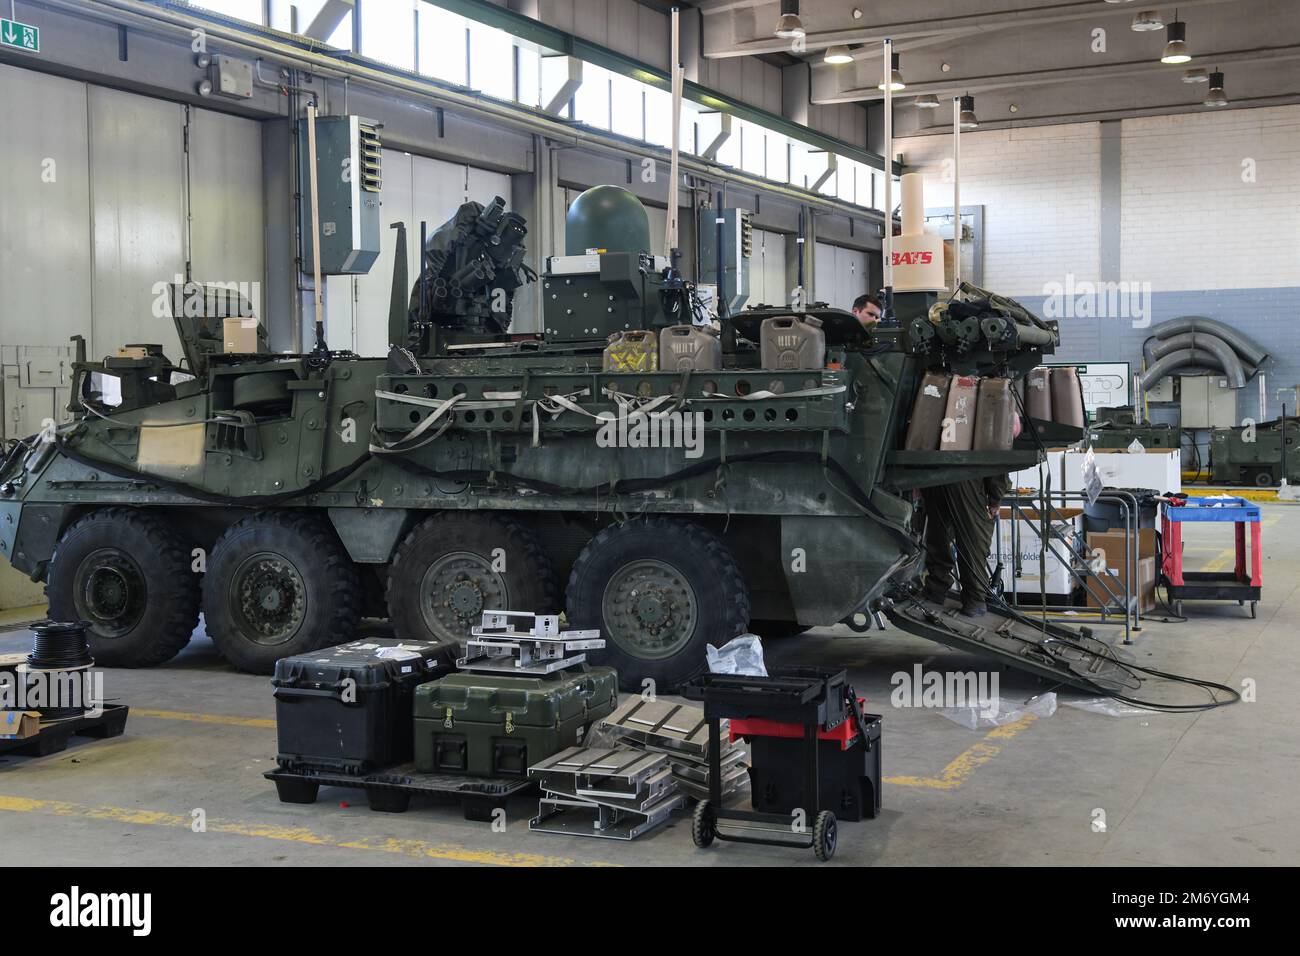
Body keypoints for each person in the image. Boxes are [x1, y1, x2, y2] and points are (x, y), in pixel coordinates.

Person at [921, 472, 1013, 617]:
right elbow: (995, 461)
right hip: (966, 474)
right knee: (973, 541)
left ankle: (935, 590)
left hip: (933, 473)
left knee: (938, 533)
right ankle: (974, 600)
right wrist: (996, 497)